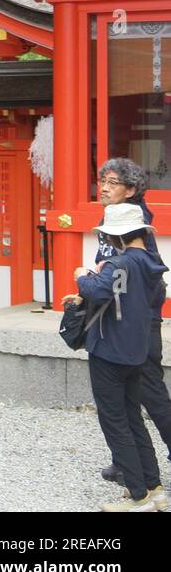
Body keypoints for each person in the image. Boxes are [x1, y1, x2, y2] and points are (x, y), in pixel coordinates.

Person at [69, 203, 169, 512]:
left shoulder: (120, 263)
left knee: (115, 421)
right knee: (133, 419)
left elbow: (100, 292)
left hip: (110, 350)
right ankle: (153, 488)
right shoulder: (151, 264)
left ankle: (139, 495)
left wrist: (83, 277)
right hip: (137, 348)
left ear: (116, 237)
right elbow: (131, 297)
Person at [93, 158, 171, 485]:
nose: (105, 188)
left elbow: (152, 276)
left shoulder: (137, 222)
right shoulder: (115, 217)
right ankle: (124, 461)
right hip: (121, 321)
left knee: (150, 393)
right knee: (125, 395)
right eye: (103, 181)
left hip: (137, 323)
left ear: (132, 190)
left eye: (113, 182)